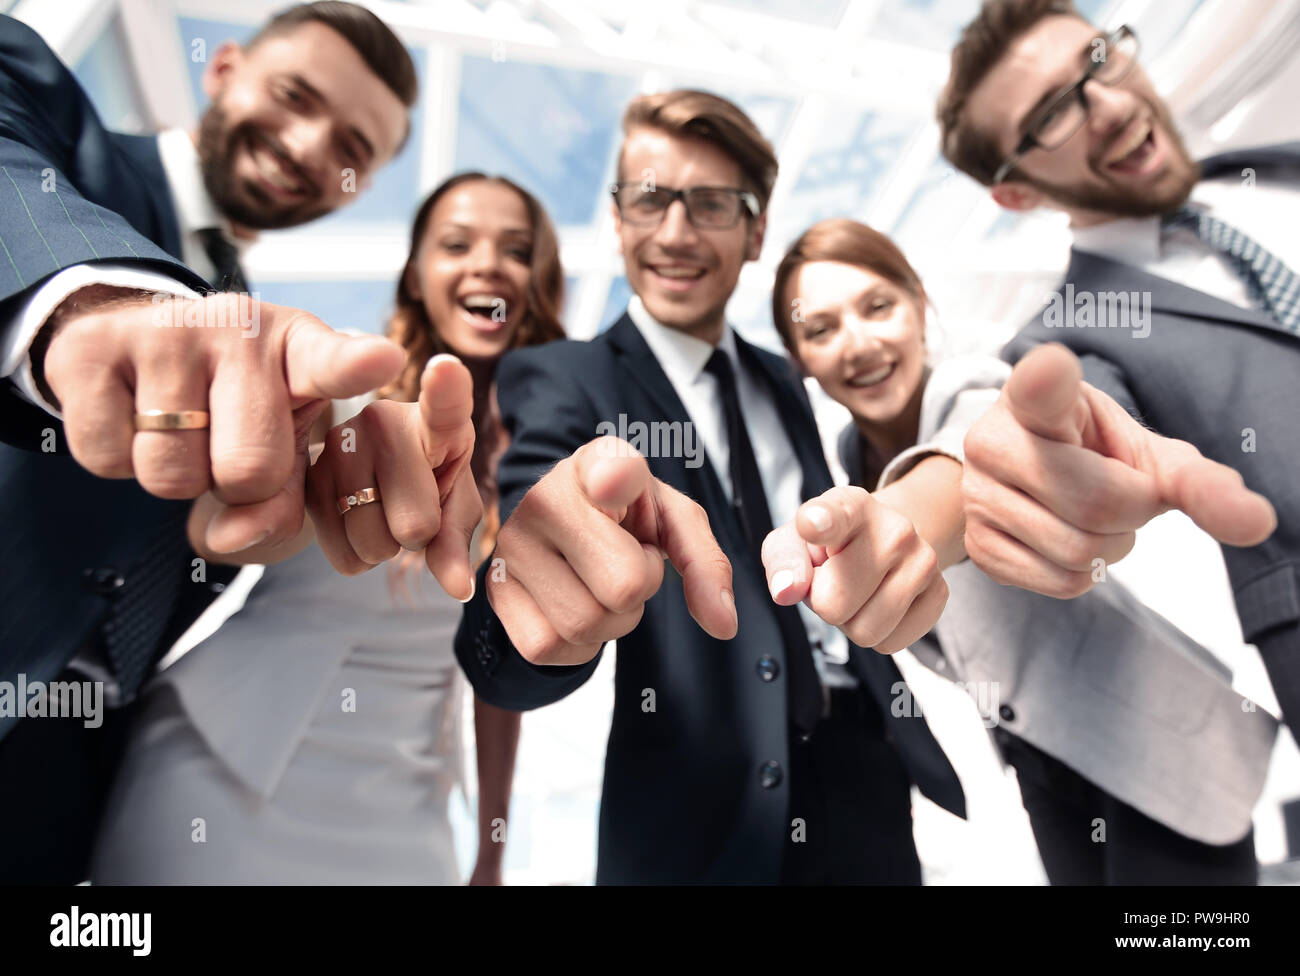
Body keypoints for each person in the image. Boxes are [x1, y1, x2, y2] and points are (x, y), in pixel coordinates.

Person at [434, 89, 966, 884]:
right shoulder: (559, 377)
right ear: (617, 221)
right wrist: (520, 600)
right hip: (696, 826)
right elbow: (509, 611)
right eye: (650, 200)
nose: (675, 232)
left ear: (755, 233)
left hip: (870, 793)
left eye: (712, 205)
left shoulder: (790, 381)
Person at [0, 3, 478, 882]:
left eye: (351, 151)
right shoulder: (39, 108)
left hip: (78, 774)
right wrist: (91, 303)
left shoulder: (272, 364)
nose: (307, 148)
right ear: (223, 69)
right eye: (294, 96)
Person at [764, 216, 1277, 884]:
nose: (857, 344)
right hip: (1042, 761)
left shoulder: (975, 389)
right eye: (821, 329)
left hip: (1152, 740)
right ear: (799, 357)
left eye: (878, 306)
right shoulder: (847, 460)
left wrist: (910, 516)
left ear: (920, 305)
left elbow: (968, 456)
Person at [88, 172, 563, 884]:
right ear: (415, 276)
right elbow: (225, 518)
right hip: (232, 764)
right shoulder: (347, 396)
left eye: (517, 249)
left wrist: (491, 850)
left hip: (407, 800)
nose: (488, 262)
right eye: (456, 243)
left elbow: (502, 677)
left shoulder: (542, 464)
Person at [933, 0, 1294, 736]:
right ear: (1015, 192)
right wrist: (930, 502)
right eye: (1051, 116)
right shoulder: (1065, 341)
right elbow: (1023, 435)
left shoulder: (1282, 170)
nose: (1107, 104)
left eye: (1098, 59)